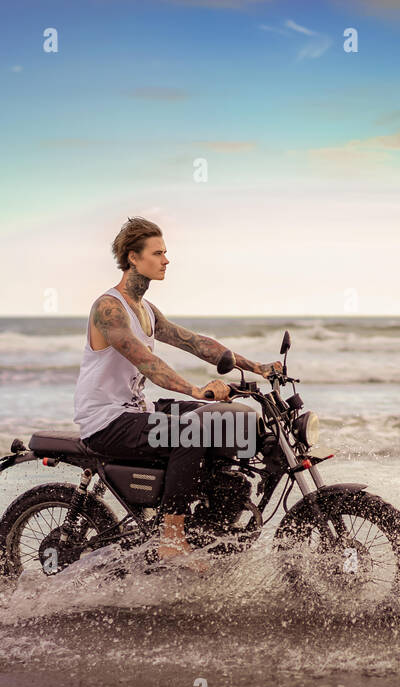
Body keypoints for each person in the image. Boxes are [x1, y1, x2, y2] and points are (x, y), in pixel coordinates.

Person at [74, 217, 281, 567]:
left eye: (165, 253)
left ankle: (213, 525)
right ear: (133, 257)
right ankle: (172, 538)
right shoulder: (108, 308)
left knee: (227, 423)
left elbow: (197, 343)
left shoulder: (147, 311)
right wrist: (196, 390)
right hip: (107, 420)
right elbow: (145, 362)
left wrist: (257, 367)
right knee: (193, 430)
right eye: (158, 253)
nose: (166, 260)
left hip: (136, 411)